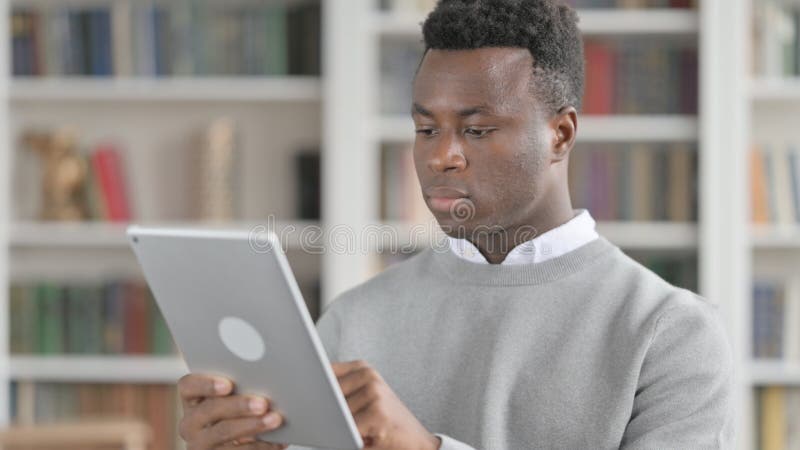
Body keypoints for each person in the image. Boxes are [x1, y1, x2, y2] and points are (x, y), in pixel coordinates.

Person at [176, 0, 736, 449]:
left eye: (478, 130)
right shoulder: (354, 319)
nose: (441, 156)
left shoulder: (670, 333)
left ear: (560, 135)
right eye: (425, 130)